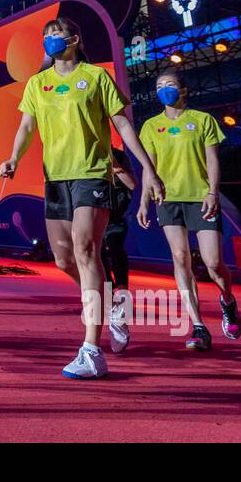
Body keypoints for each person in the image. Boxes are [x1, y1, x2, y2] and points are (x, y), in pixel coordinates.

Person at [0, 17, 163, 379]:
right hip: (54, 178)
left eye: (56, 34)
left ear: (74, 38)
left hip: (92, 174)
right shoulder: (37, 84)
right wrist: (13, 157)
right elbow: (27, 126)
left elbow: (121, 124)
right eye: (46, 36)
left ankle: (91, 350)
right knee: (62, 259)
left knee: (86, 248)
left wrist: (147, 168)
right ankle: (110, 304)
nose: (49, 40)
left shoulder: (97, 77)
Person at [136, 72, 241, 351]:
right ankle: (198, 326)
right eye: (159, 87)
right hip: (167, 199)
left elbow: (212, 160)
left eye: (170, 85)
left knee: (213, 263)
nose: (164, 90)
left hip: (200, 198)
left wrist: (212, 192)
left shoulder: (203, 120)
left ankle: (228, 301)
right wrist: (144, 202)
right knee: (180, 257)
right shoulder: (150, 126)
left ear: (184, 90)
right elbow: (150, 168)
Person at [100, 148, 136, 352]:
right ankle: (114, 310)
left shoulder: (119, 156)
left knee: (115, 250)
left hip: (114, 219)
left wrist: (115, 166)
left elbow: (132, 184)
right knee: (96, 263)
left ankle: (120, 304)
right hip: (91, 218)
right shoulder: (82, 151)